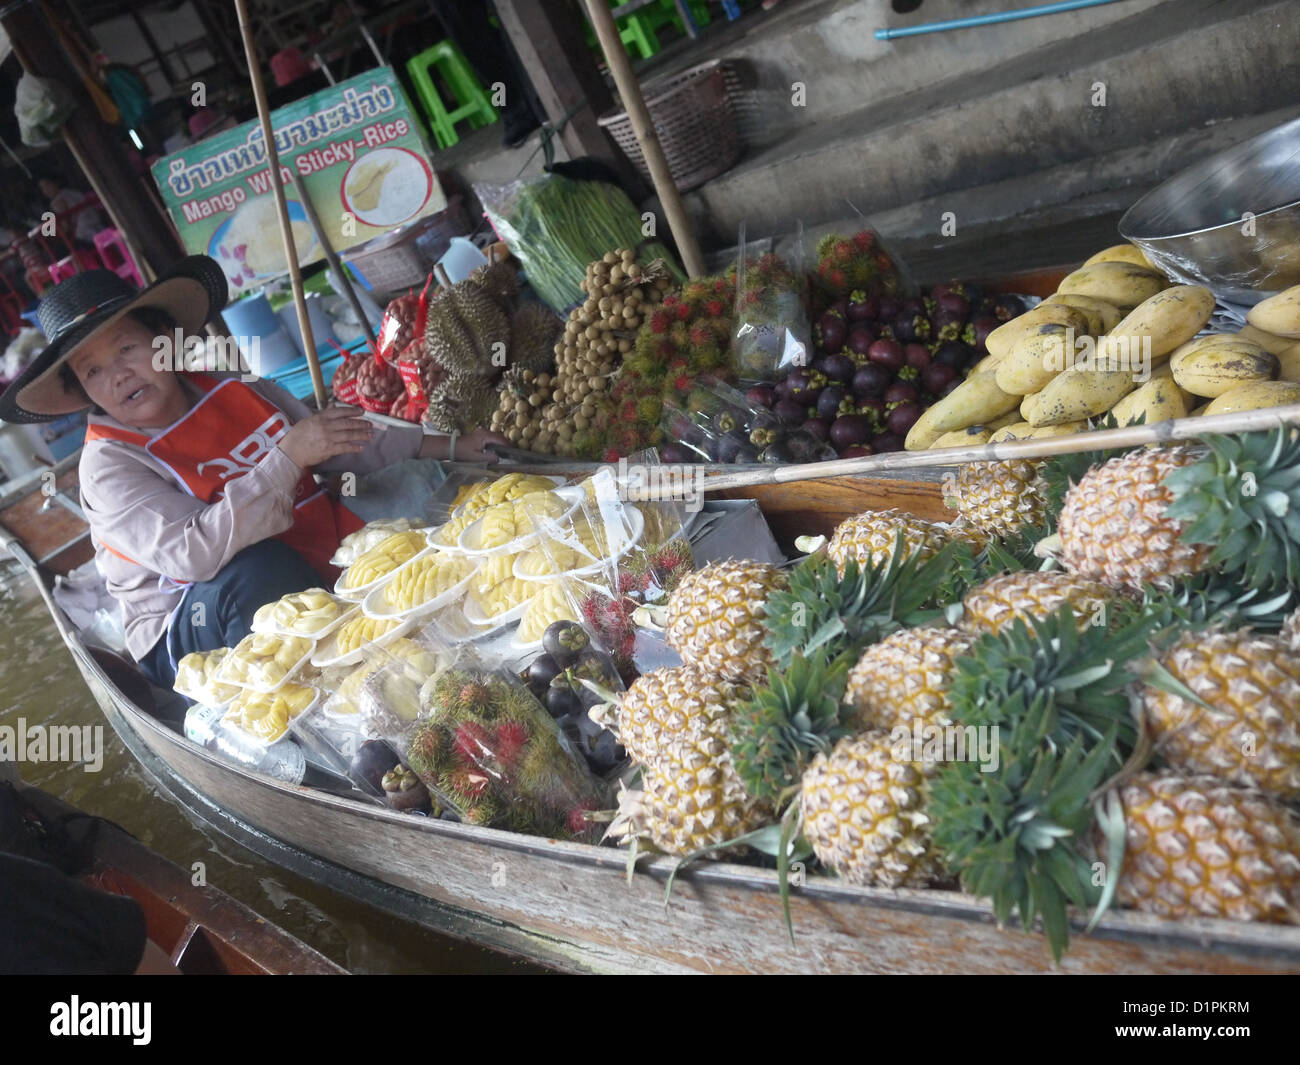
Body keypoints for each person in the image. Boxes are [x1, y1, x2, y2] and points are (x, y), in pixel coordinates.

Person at [0, 257, 505, 691]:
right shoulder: (107, 464)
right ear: (85, 392)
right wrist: (285, 458)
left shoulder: (227, 382)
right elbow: (194, 554)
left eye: (128, 348)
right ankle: (333, 695)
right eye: (92, 371)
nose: (118, 374)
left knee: (419, 492)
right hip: (191, 618)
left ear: (163, 343)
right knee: (258, 570)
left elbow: (328, 439)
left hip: (303, 547)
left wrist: (451, 445)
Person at [36, 175, 105, 247]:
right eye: (43, 188)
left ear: (55, 183)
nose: (46, 190)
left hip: (85, 233)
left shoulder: (57, 201)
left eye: (47, 185)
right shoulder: (69, 191)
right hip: (96, 225)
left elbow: (65, 227)